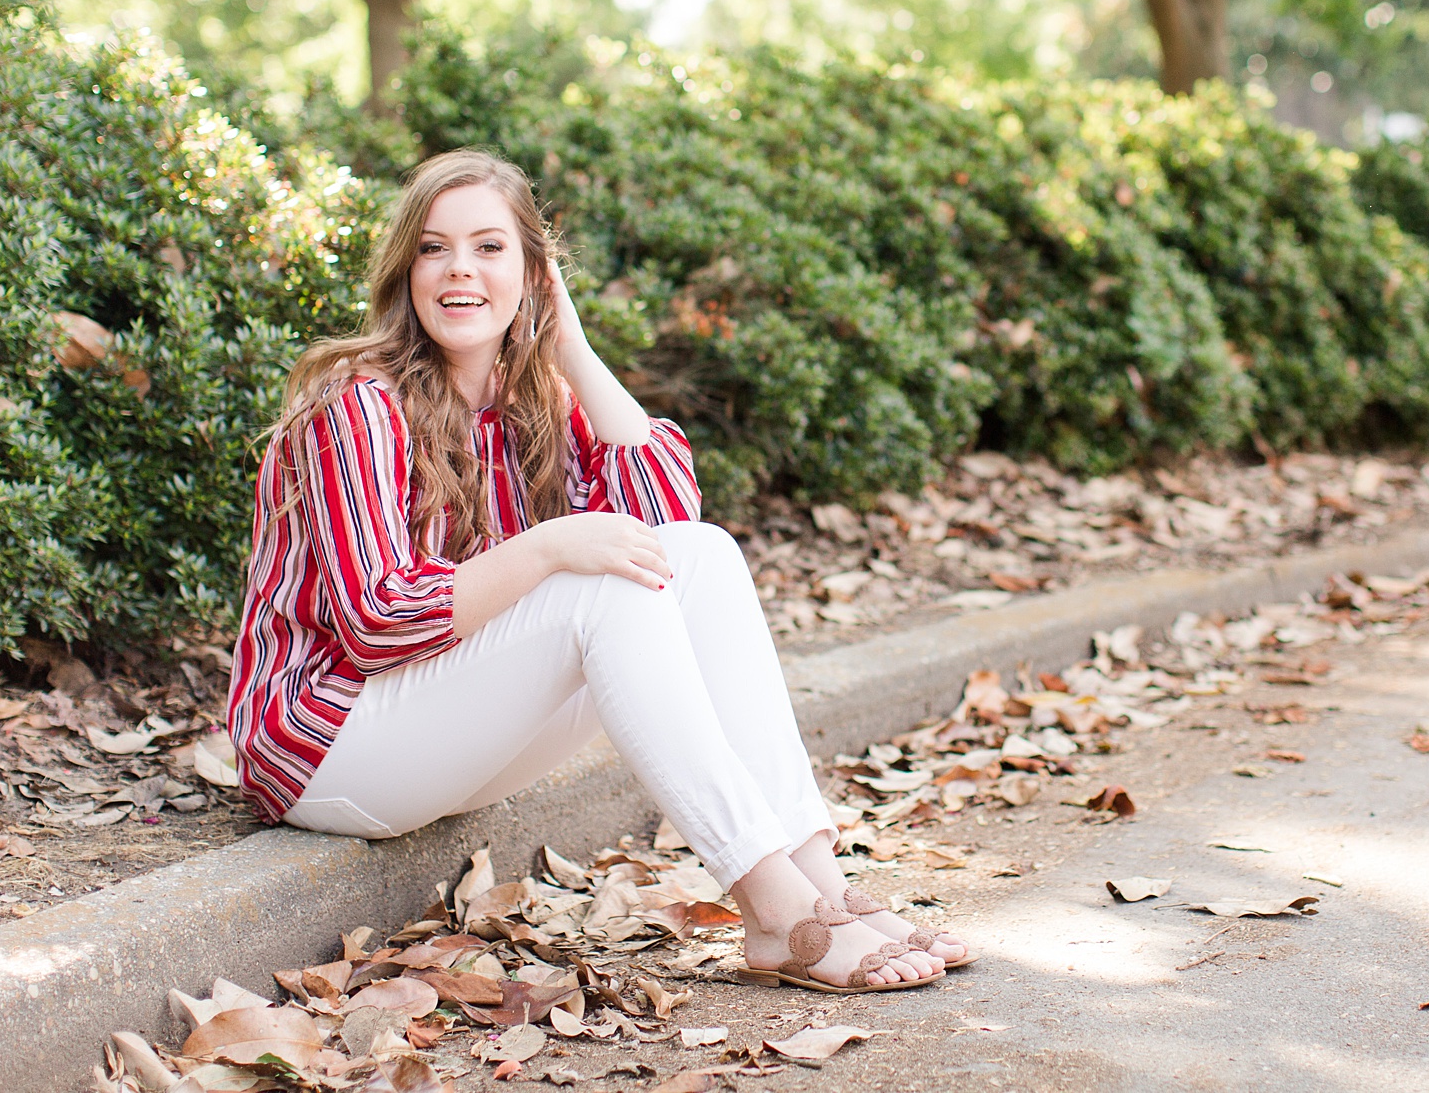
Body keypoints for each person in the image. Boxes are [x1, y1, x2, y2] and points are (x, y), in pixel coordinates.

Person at [226, 149, 971, 994]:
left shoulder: (529, 398)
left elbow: (667, 516)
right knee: (595, 587)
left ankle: (821, 890)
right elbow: (376, 621)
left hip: (439, 726)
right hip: (328, 745)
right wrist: (548, 547)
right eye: (434, 249)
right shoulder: (354, 404)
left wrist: (569, 341)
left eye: (490, 248)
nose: (459, 269)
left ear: (535, 274)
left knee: (700, 556)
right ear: (406, 271)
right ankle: (771, 902)